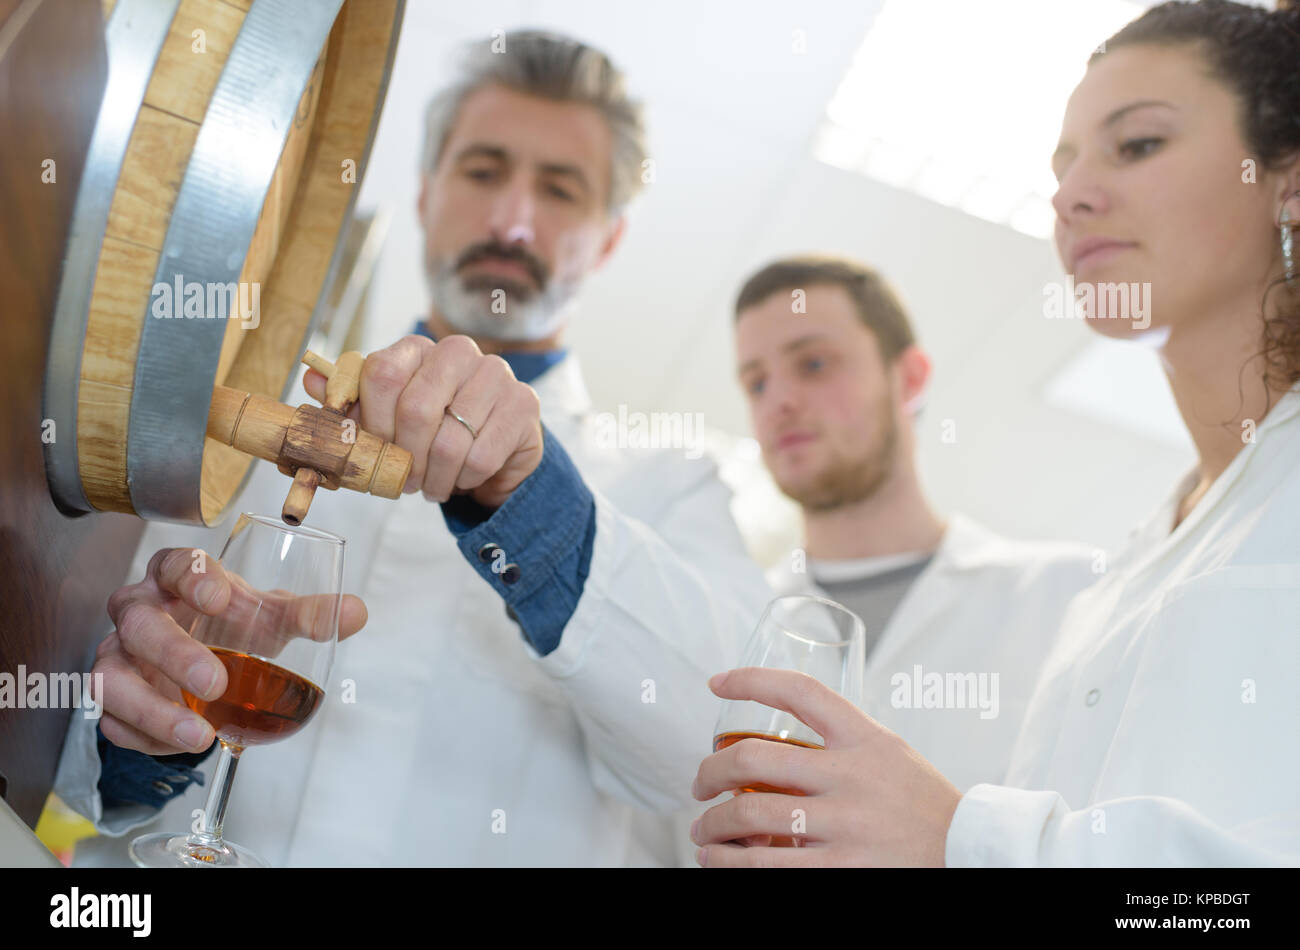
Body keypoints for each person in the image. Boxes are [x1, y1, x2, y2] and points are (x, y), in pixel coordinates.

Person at [55, 29, 771, 867]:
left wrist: (533, 501)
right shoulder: (242, 416)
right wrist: (150, 740)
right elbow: (79, 756)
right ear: (426, 193)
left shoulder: (670, 484)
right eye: (482, 171)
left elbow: (724, 753)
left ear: (609, 239)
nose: (512, 217)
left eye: (561, 189)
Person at [690, 0, 1300, 866]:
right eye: (1064, 164)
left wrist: (957, 837)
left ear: (1287, 178)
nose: (1071, 193)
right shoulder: (1110, 592)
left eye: (1138, 145)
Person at [731, 256, 1098, 792]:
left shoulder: (1068, 598)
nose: (778, 402)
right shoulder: (731, 621)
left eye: (812, 364)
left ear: (909, 379)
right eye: (756, 383)